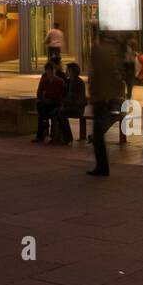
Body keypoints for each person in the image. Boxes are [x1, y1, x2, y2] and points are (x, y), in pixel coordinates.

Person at [88, 30, 126, 176]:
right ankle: (102, 166)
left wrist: (94, 94)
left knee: (98, 134)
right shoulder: (113, 52)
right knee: (98, 132)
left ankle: (102, 167)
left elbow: (96, 76)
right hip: (110, 97)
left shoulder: (98, 51)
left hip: (101, 98)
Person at [32, 62, 66, 144]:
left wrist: (51, 99)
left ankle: (42, 130)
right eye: (47, 70)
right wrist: (43, 99)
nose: (49, 72)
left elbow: (61, 94)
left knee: (42, 114)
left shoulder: (59, 81)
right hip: (46, 103)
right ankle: (44, 122)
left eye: (51, 70)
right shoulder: (44, 81)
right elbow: (39, 93)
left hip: (55, 103)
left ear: (54, 71)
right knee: (40, 106)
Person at [57, 62, 87, 145]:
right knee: (56, 112)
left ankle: (67, 138)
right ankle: (58, 137)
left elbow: (77, 99)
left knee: (61, 113)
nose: (66, 72)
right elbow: (65, 95)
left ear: (72, 72)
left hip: (77, 108)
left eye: (68, 70)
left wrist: (66, 104)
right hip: (70, 107)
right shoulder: (68, 81)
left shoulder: (79, 83)